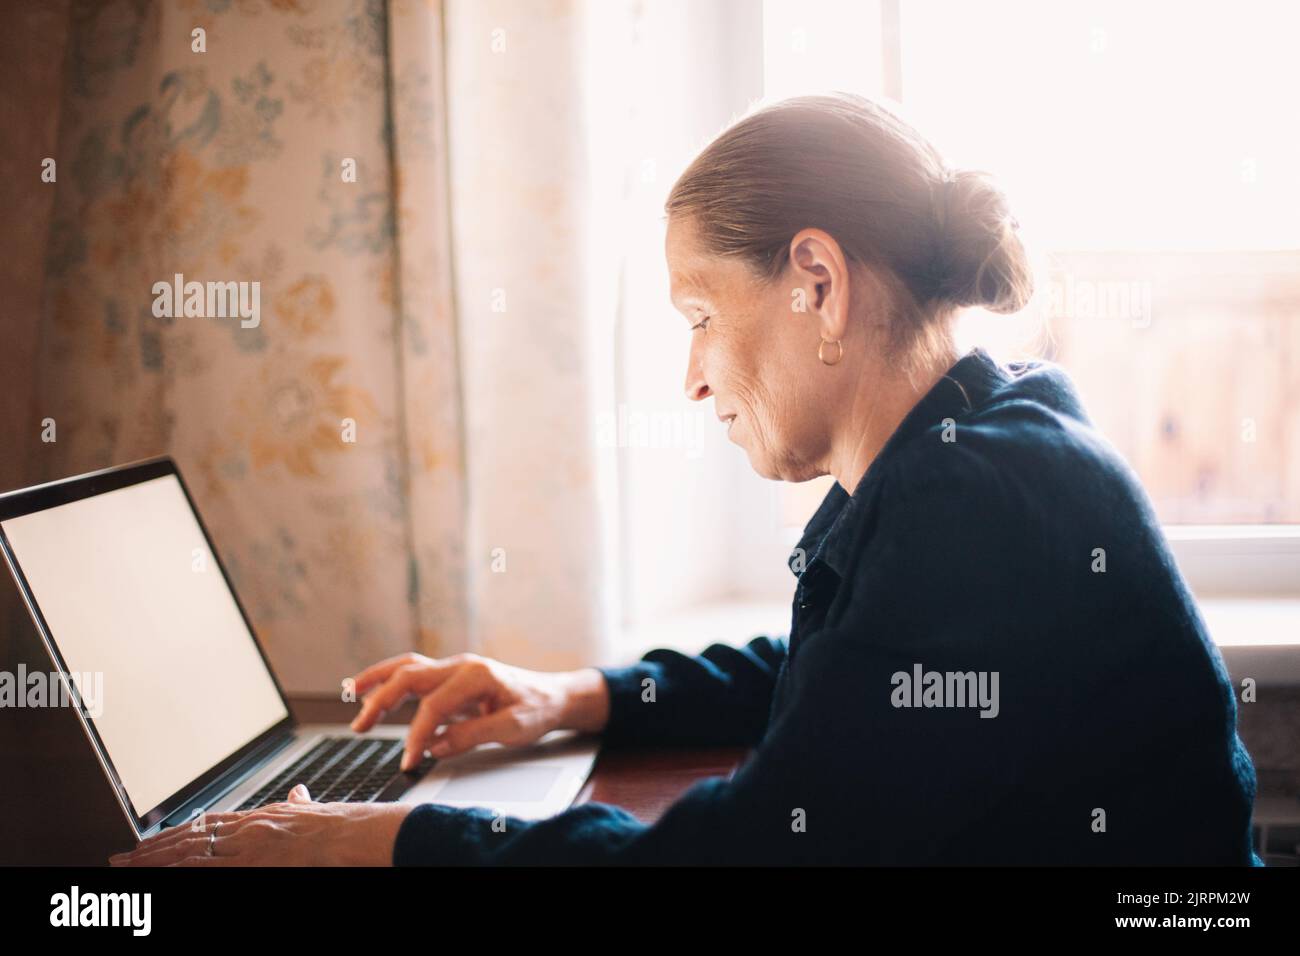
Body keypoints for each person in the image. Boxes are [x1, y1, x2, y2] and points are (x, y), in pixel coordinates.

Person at [114, 93, 1260, 867]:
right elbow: (837, 675)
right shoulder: (980, 438)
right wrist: (575, 696)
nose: (693, 376)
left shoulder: (976, 501)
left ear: (816, 281)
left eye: (702, 316)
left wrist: (370, 841)